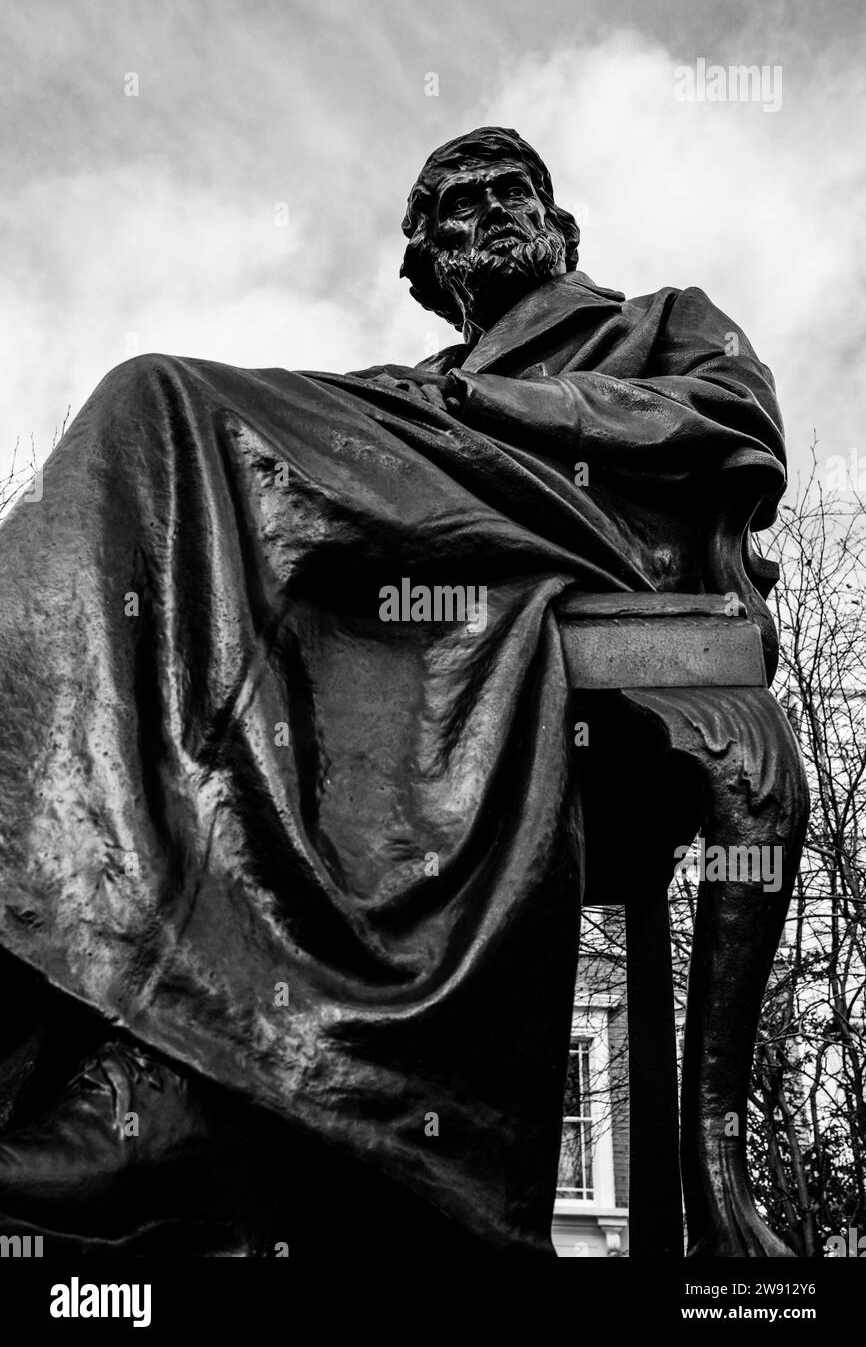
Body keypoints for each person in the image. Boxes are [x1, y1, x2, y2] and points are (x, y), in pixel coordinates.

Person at [0, 128, 788, 1259]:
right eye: (455, 213)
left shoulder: (656, 318)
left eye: (510, 193)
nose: (487, 217)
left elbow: (730, 418)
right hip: (443, 521)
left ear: (558, 225)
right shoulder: (421, 392)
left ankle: (201, 1080)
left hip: (579, 522)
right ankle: (160, 1034)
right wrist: (436, 406)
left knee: (162, 405)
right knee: (186, 496)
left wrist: (489, 410)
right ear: (432, 269)